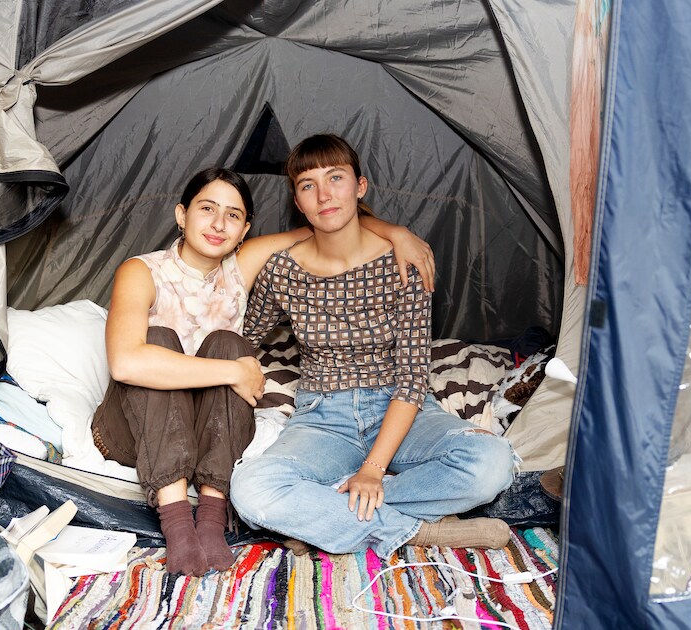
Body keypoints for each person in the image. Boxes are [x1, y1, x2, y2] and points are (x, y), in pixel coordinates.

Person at [90, 167, 434, 576]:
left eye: (233, 215)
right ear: (181, 215)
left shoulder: (242, 265)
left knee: (231, 344)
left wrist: (398, 233)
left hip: (204, 436)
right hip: (133, 432)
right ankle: (178, 523)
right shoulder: (141, 271)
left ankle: (213, 519)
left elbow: (326, 223)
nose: (219, 224)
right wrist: (231, 373)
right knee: (162, 340)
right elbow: (126, 362)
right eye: (207, 209)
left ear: (244, 230)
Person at [231, 135, 516, 560]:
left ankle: (324, 513)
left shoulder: (405, 261)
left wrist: (373, 470)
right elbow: (242, 338)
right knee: (251, 489)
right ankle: (418, 531)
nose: (324, 194)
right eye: (308, 185)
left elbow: (413, 377)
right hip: (322, 419)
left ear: (360, 187)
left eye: (336, 178)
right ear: (298, 201)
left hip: (401, 410)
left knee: (491, 463)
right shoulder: (282, 270)